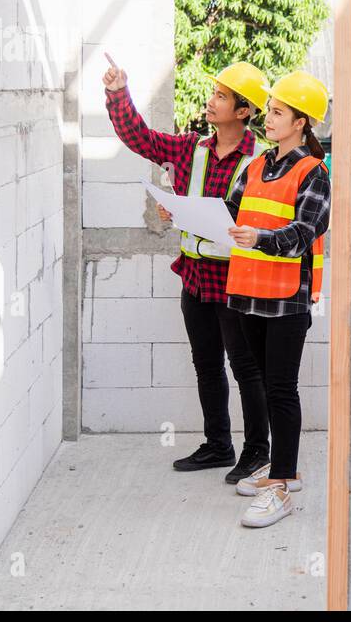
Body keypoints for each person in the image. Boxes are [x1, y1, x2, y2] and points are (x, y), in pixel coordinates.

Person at [101, 52, 272, 484]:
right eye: (213, 94)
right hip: (196, 276)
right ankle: (219, 445)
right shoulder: (191, 147)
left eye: (221, 96)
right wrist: (118, 92)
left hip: (236, 281)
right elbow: (139, 139)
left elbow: (269, 220)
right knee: (206, 364)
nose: (211, 101)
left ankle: (257, 453)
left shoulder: (262, 162)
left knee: (246, 367)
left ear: (244, 110)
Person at [223, 71, 331, 529]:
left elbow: (305, 232)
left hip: (287, 300)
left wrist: (260, 237)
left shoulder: (314, 173)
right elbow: (230, 212)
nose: (269, 118)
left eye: (279, 113)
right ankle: (281, 466)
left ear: (301, 123)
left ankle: (282, 484)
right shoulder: (254, 166)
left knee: (282, 388)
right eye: (270, 111)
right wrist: (188, 214)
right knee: (264, 382)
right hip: (247, 291)